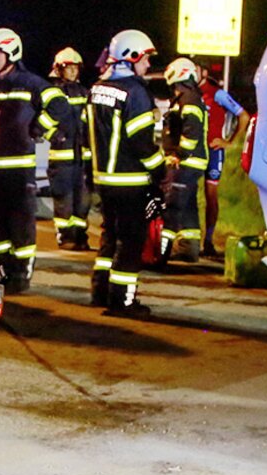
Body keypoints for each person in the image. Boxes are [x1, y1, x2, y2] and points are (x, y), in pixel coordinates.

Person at [86, 29, 163, 317]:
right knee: (131, 242)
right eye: (145, 59)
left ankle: (100, 292)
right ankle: (122, 302)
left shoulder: (97, 89)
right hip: (129, 181)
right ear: (131, 58)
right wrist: (160, 168)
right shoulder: (137, 92)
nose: (147, 66)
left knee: (109, 237)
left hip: (103, 180)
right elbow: (142, 142)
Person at [0, 27, 45, 293]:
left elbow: (59, 108)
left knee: (21, 227)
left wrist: (37, 128)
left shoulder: (31, 83)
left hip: (17, 170)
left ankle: (21, 277)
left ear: (11, 52)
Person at [158, 57, 209, 263]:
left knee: (172, 205)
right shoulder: (189, 98)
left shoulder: (188, 100)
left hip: (185, 162)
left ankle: (162, 251)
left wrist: (178, 154)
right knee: (188, 206)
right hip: (192, 162)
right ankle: (189, 247)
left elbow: (191, 134)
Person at [40, 47, 91, 250]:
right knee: (64, 199)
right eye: (68, 68)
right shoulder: (53, 93)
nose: (72, 72)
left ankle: (80, 236)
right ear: (59, 70)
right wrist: (56, 136)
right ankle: (66, 236)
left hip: (82, 156)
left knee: (83, 200)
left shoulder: (85, 92)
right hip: (61, 157)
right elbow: (42, 122)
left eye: (75, 68)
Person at [201, 64, 246, 259]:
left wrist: (230, 142)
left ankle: (208, 240)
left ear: (203, 72)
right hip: (195, 151)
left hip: (213, 150)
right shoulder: (189, 92)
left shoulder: (217, 93)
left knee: (211, 195)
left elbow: (243, 116)